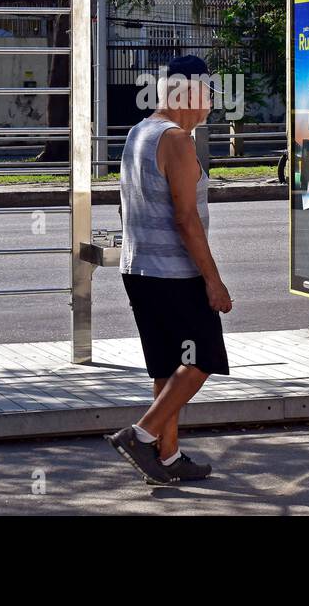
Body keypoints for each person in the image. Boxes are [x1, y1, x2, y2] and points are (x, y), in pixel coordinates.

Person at [107, 55, 232, 485]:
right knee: (201, 361)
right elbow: (186, 220)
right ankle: (141, 435)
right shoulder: (177, 140)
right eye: (209, 95)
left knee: (167, 367)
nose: (211, 105)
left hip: (138, 268)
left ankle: (168, 455)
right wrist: (213, 281)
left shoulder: (138, 132)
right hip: (174, 275)